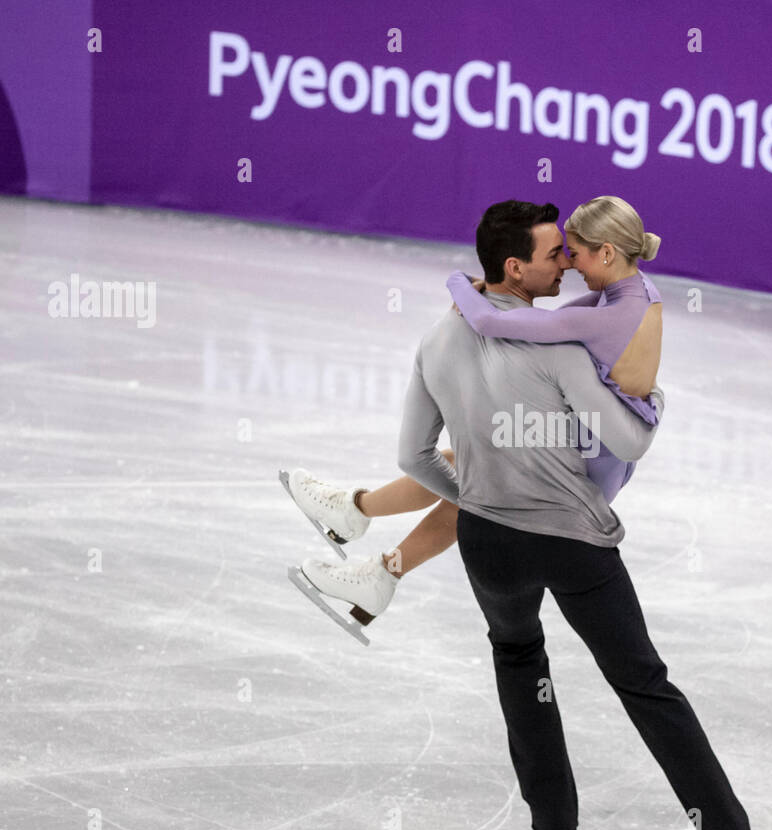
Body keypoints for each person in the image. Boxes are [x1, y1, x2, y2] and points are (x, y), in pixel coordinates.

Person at [395, 199, 758, 830]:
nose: (564, 262)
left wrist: (477, 499)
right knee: (645, 687)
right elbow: (628, 441)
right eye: (552, 254)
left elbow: (413, 458)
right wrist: (655, 405)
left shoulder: (434, 340)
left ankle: (554, 826)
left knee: (518, 659)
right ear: (514, 266)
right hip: (573, 545)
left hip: (490, 545)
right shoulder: (558, 347)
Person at [284, 197, 663, 626]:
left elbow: (493, 324)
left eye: (571, 253)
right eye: (559, 254)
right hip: (590, 452)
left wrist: (460, 284)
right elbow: (533, 325)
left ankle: (364, 531)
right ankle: (367, 537)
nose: (569, 266)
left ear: (607, 252)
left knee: (484, 476)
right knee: (472, 466)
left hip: (591, 469)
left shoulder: (602, 316)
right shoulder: (627, 295)